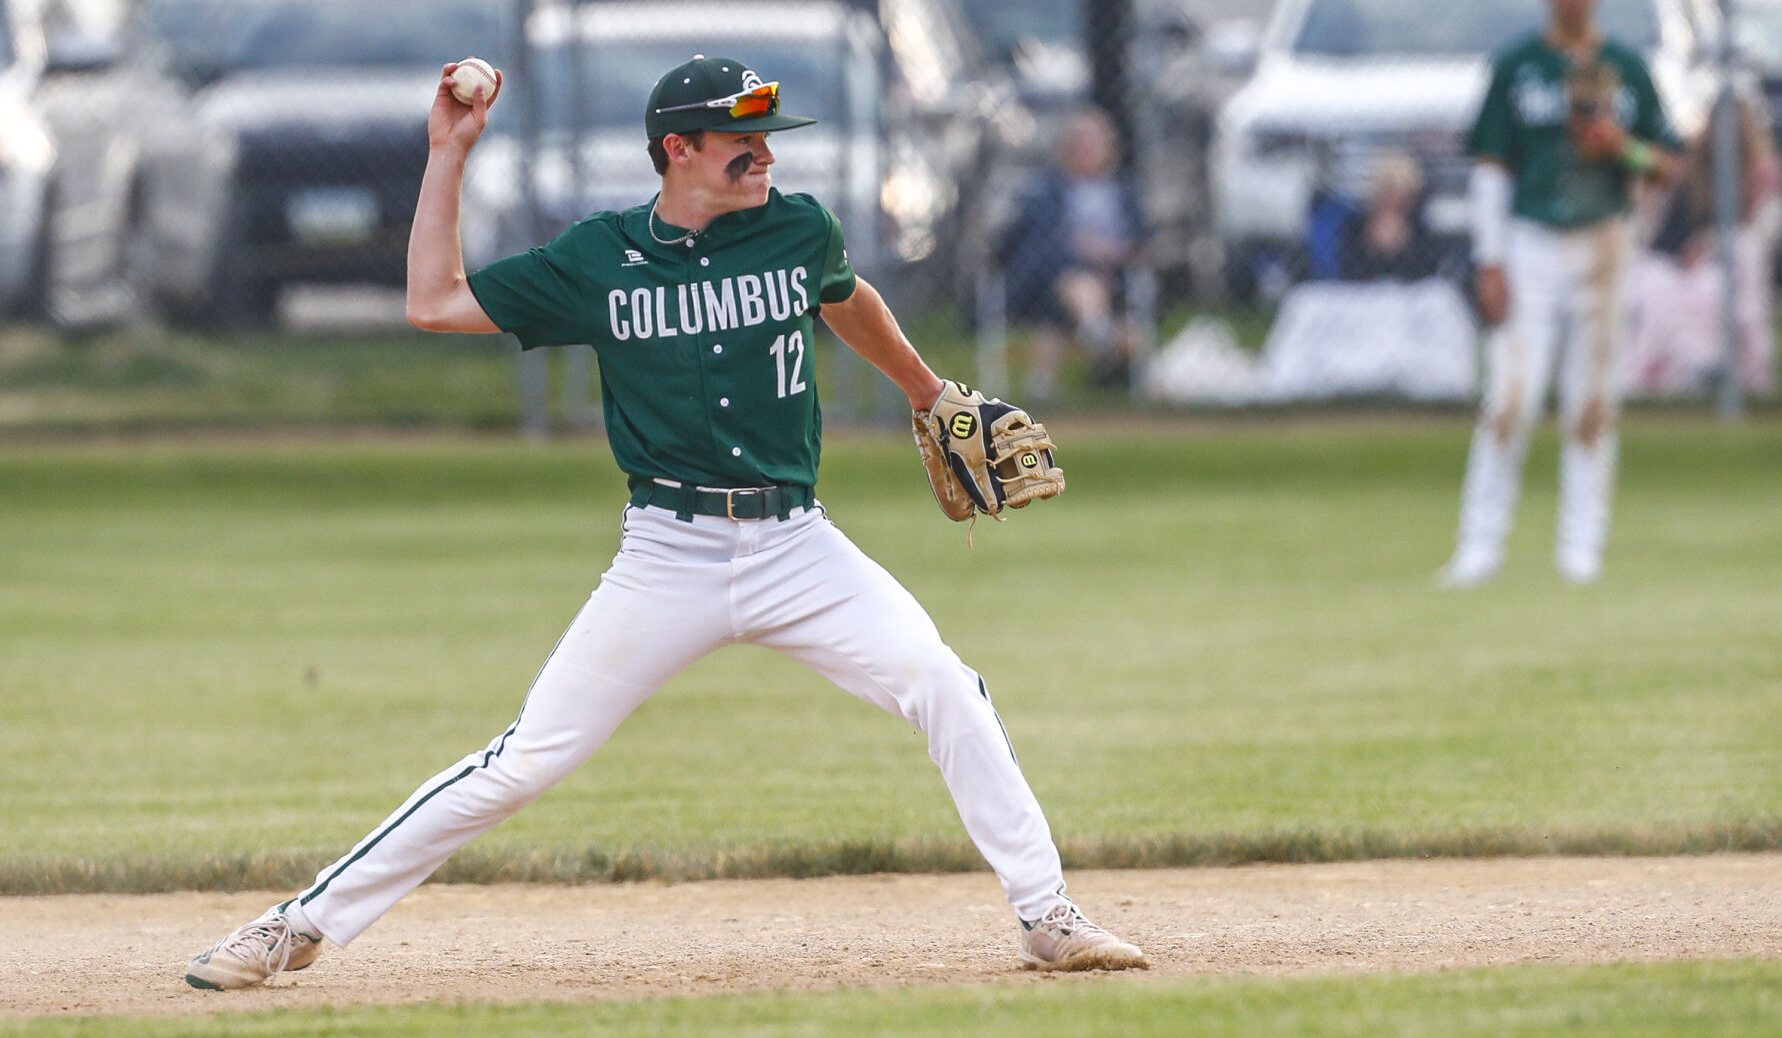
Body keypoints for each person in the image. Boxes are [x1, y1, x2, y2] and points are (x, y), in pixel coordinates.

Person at [182, 55, 1146, 991]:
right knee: (525, 761)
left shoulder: (798, 230)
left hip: (797, 545)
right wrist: (450, 152)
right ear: (678, 149)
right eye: (743, 139)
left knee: (941, 682)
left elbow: (845, 300)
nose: (765, 154)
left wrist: (928, 392)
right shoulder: (596, 258)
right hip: (667, 553)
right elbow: (433, 302)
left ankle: (1047, 914)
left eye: (768, 137)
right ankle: (295, 925)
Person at [1439, 0, 1682, 588]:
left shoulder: (1627, 69)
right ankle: (1480, 546)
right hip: (1532, 241)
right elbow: (1490, 167)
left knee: (1593, 402)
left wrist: (1619, 149)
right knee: (1511, 397)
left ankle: (1581, 550)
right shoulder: (1519, 66)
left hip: (1604, 239)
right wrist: (1490, 259)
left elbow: (1665, 163)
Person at [1624, 84, 1780, 396]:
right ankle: (1680, 374)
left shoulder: (1761, 170)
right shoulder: (1689, 166)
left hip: (1730, 261)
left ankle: (1732, 373)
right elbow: (1664, 223)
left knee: (1717, 288)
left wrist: (1711, 244)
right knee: (1656, 288)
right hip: (1673, 262)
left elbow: (1761, 228)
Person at [999, 106, 1147, 398]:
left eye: (1093, 140)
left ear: (1109, 146)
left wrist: (1112, 253)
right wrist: (1082, 249)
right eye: (1079, 140)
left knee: (1061, 317)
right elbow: (1037, 241)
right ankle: (1100, 336)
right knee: (1075, 284)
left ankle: (1047, 381)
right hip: (1054, 278)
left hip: (1116, 276)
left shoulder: (1124, 190)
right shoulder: (1046, 189)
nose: (1086, 148)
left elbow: (1142, 239)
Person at [1333, 151, 1437, 283]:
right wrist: (1372, 246)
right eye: (1388, 192)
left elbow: (1425, 274)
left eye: (1401, 193)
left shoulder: (1420, 229)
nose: (1394, 200)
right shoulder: (1355, 227)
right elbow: (1347, 271)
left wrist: (1403, 246)